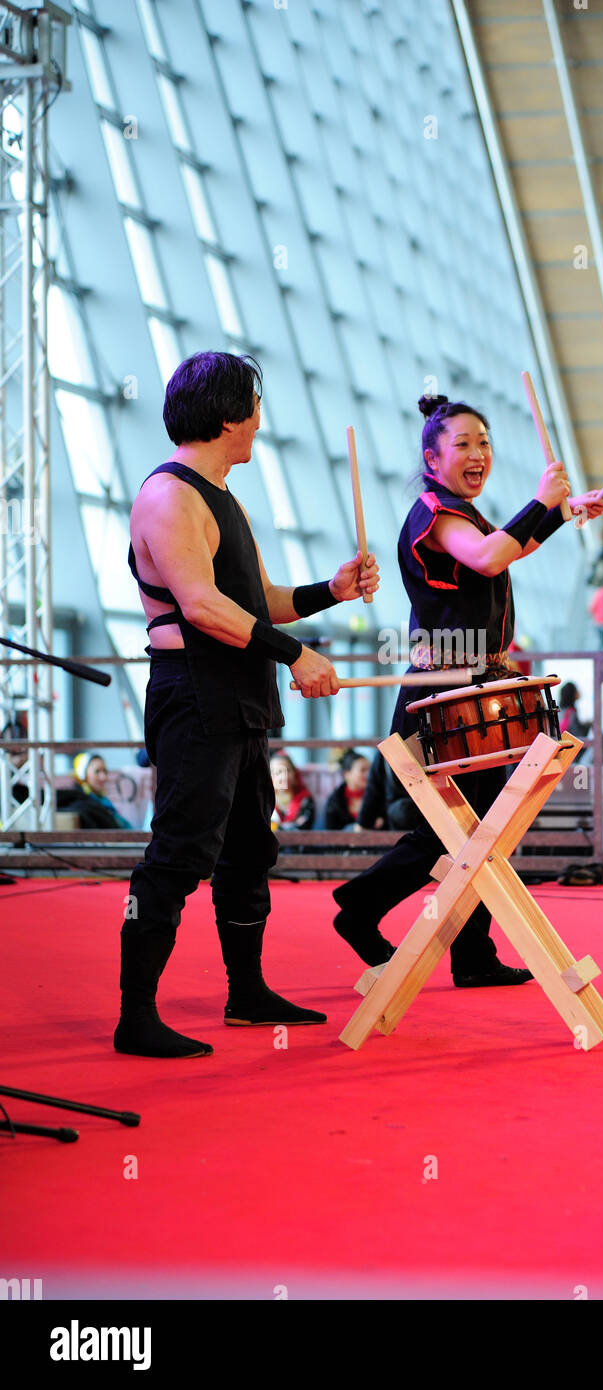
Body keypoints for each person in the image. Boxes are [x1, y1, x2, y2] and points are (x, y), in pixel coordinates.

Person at [117, 350, 379, 1059]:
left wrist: (332, 590)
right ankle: (134, 1013)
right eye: (256, 409)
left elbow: (257, 603)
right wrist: (297, 655)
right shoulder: (168, 496)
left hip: (238, 694)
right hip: (195, 690)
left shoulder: (221, 498)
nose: (261, 425)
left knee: (244, 851)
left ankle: (246, 992)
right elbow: (201, 608)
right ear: (231, 414)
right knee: (177, 853)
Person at [332, 393, 603, 985]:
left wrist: (565, 513)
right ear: (432, 459)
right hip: (443, 695)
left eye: (484, 442)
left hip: (475, 689)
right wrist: (543, 500)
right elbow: (486, 557)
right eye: (463, 443)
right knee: (464, 829)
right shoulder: (434, 513)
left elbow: (510, 547)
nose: (478, 452)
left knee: (481, 827)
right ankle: (364, 909)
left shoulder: (463, 513)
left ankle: (463, 950)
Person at [66, 752, 134, 829]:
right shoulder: (84, 805)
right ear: (83, 775)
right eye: (97, 771)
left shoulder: (102, 801)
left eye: (105, 771)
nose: (103, 777)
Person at [358, 749, 422, 831]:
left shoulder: (387, 749)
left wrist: (363, 824)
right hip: (432, 815)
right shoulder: (434, 741)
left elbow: (373, 791)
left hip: (402, 821)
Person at [324, 750, 370, 830]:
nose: (368, 774)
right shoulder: (335, 800)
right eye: (362, 770)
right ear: (347, 774)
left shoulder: (377, 796)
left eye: (370, 769)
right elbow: (331, 833)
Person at [270, 752, 315, 832]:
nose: (283, 776)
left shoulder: (305, 800)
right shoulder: (262, 802)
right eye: (278, 772)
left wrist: (276, 827)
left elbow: (302, 829)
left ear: (295, 773)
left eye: (287, 770)